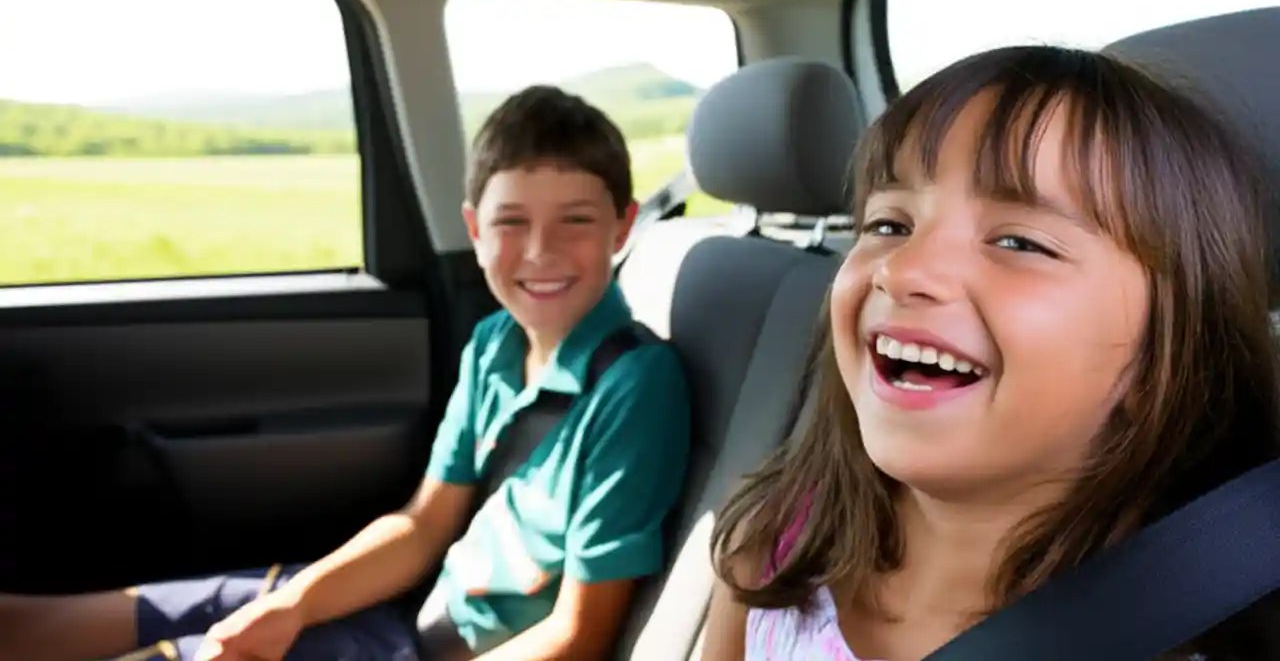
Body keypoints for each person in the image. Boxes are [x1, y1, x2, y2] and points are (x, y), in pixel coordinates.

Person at [1, 85, 691, 661]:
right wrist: (296, 604)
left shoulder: (638, 385)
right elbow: (425, 525)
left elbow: (579, 634)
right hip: (413, 607)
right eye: (512, 222)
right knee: (123, 616)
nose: (541, 253)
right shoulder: (493, 344)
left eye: (575, 220)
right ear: (475, 229)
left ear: (623, 228)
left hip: (449, 648)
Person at [700, 45, 1280, 660]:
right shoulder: (775, 551)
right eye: (888, 225)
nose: (903, 270)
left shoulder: (1185, 632)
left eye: (1019, 241)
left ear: (1163, 358)